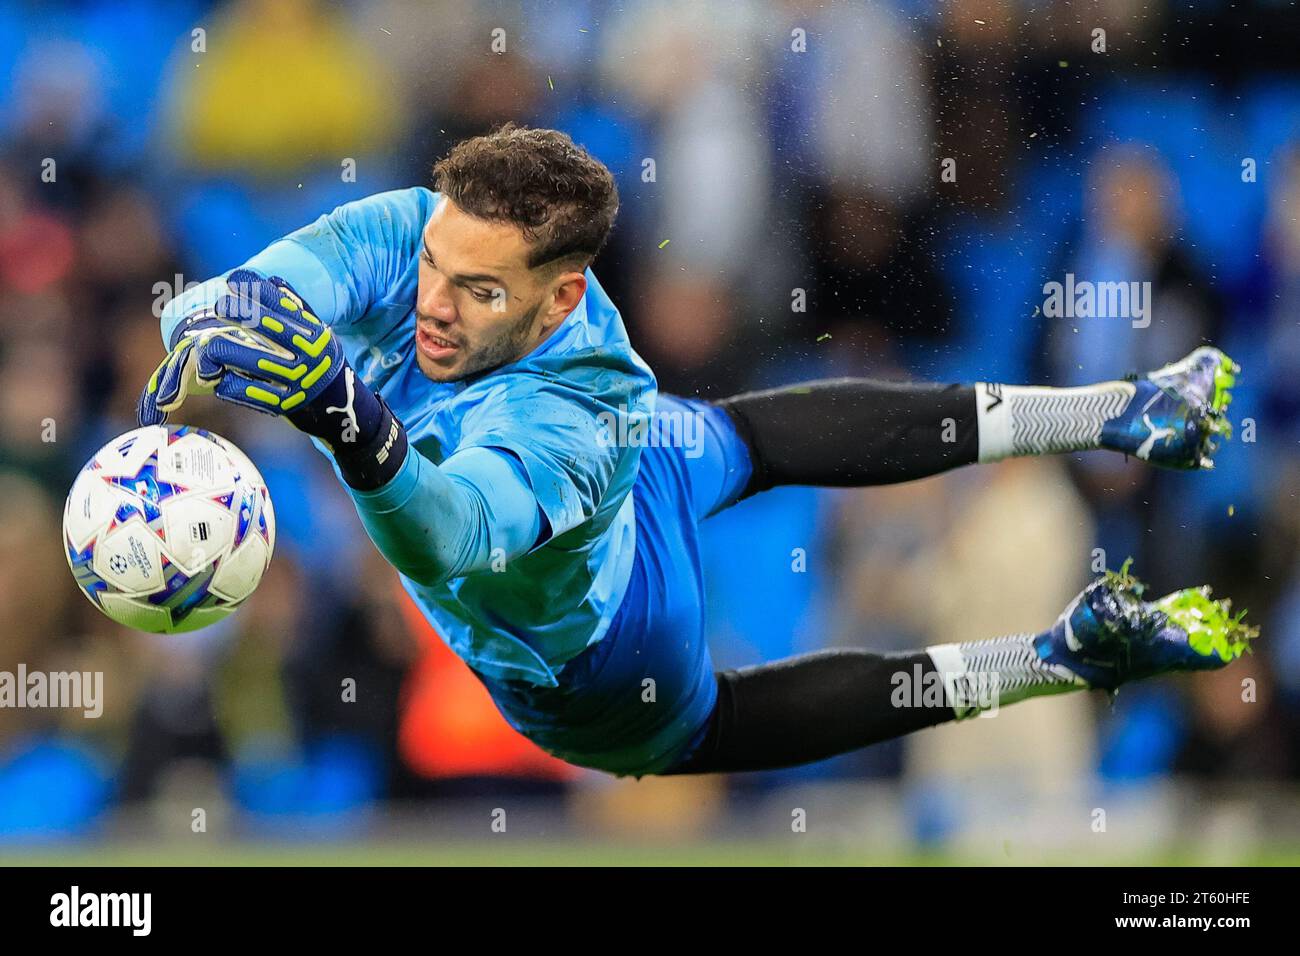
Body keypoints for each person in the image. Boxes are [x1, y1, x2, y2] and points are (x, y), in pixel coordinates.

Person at [137, 125, 1254, 779]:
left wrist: (341, 411)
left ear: (559, 296)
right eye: (434, 260)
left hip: (603, 641)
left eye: (476, 291)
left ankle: (1063, 650)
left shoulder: (574, 411)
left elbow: (448, 532)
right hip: (628, 504)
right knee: (754, 433)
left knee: (716, 721)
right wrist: (204, 329)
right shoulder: (415, 231)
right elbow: (238, 296)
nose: (430, 304)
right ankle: (1117, 411)